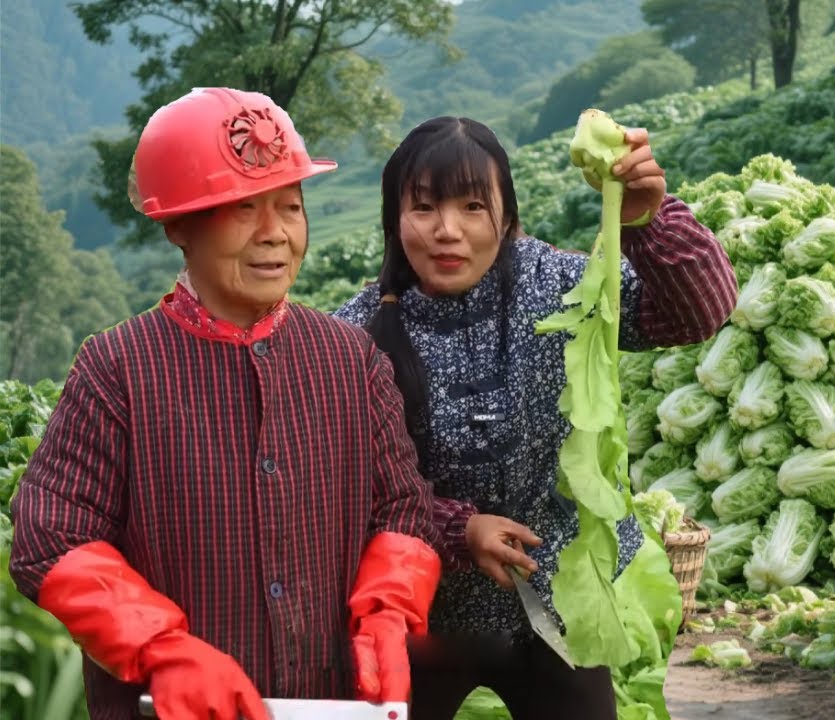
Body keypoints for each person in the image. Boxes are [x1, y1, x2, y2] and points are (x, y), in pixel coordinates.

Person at [7, 87, 455, 720]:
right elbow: (53, 538)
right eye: (243, 208)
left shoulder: (350, 361)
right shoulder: (117, 369)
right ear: (178, 226)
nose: (275, 234)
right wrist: (162, 649)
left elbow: (403, 510)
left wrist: (387, 610)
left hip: (326, 703)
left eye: (291, 207)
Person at [332, 115, 738, 719]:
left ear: (507, 214)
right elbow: (350, 480)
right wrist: (455, 528)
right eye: (423, 208)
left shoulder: (555, 283)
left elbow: (696, 313)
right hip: (422, 614)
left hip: (559, 600)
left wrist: (651, 221)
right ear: (395, 219)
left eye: (473, 206)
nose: (448, 231)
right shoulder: (355, 333)